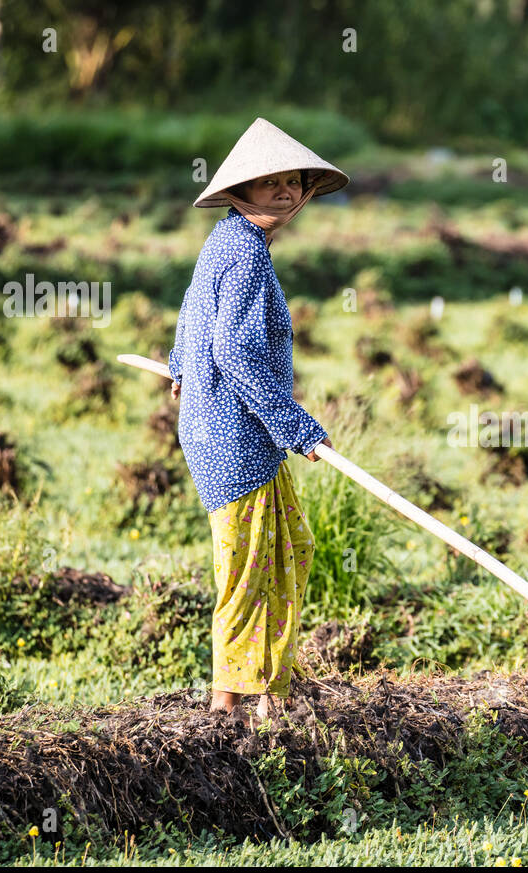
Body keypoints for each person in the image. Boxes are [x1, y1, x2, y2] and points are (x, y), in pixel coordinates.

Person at [167, 117, 350, 727]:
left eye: (295, 183)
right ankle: (227, 708)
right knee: (248, 568)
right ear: (239, 192)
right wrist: (297, 428)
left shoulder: (230, 243)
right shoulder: (241, 253)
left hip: (234, 428)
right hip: (234, 434)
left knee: (292, 547)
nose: (287, 193)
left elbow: (194, 309)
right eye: (270, 182)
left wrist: (178, 363)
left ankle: (271, 687)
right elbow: (237, 355)